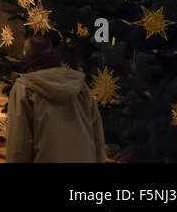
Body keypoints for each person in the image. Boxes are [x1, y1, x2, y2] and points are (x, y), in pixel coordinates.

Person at [6, 35, 105, 164]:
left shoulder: (24, 90)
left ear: (25, 57)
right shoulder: (80, 86)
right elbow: (97, 134)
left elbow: (19, 144)